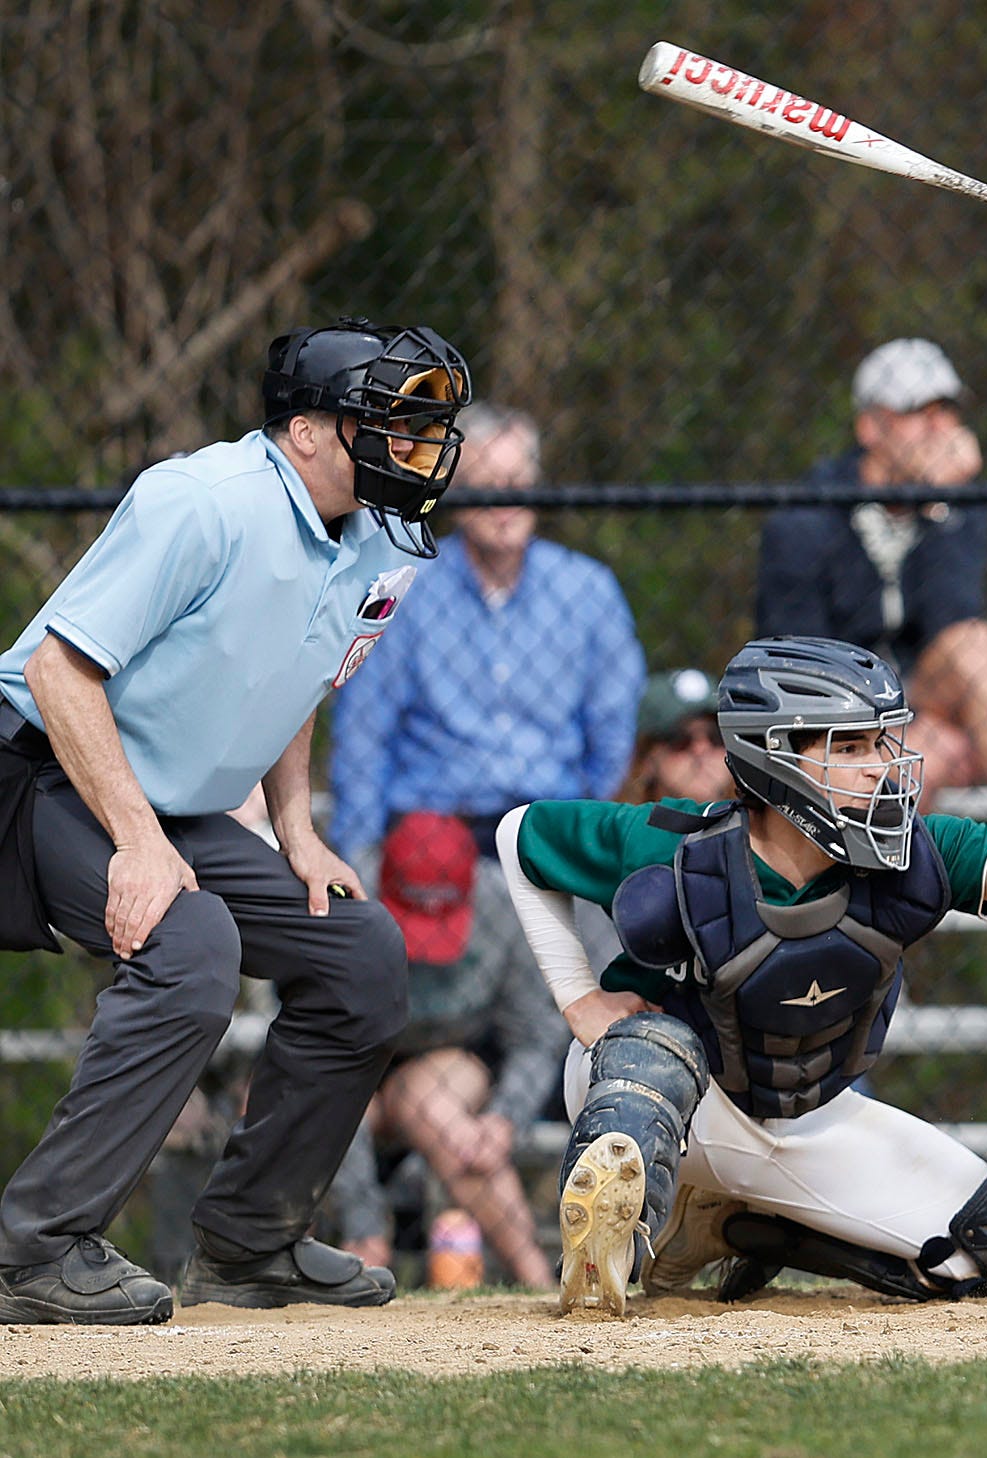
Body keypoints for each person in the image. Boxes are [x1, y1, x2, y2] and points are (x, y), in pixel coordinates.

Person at [496, 635, 987, 1317]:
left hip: (805, 1116)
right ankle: (608, 1269)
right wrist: (578, 1000)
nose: (884, 763)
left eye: (884, 740)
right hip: (664, 1099)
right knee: (654, 1046)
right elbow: (519, 833)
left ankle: (733, 1227)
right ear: (774, 754)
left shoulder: (911, 854)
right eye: (850, 746)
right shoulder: (679, 847)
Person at [0, 318, 472, 1323]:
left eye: (423, 429)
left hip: (162, 798)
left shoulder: (384, 538)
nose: (414, 449)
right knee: (192, 945)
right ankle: (32, 1253)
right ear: (306, 432)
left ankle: (249, 1247)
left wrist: (295, 826)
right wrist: (137, 841)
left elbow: (297, 673)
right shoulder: (204, 503)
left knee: (358, 952)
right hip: (36, 769)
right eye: (386, 423)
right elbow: (59, 669)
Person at [755, 339, 987, 834]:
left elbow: (953, 614)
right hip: (838, 720)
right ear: (870, 428)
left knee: (972, 644)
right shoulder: (805, 523)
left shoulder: (954, 505)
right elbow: (800, 669)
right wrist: (896, 728)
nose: (940, 429)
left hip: (921, 698)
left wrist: (939, 505)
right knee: (939, 750)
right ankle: (862, 879)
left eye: (946, 412)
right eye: (917, 414)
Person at [329, 401, 645, 861]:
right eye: (484, 488)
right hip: (431, 832)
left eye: (516, 485)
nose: (503, 505)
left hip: (549, 827)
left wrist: (585, 820)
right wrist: (357, 853)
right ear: (453, 495)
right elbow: (364, 728)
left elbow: (614, 728)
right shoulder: (407, 587)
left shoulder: (588, 591)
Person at [327, 811, 566, 1289]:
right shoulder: (344, 897)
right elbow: (321, 1059)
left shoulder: (502, 904)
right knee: (315, 1109)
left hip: (450, 1061)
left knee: (436, 1109)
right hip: (350, 1064)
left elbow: (536, 1038)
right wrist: (364, 1218)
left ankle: (540, 1286)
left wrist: (504, 1119)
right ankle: (355, 1260)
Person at [618, 668, 734, 806]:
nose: (701, 748)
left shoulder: (757, 823)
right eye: (680, 739)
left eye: (716, 736)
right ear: (647, 756)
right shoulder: (617, 824)